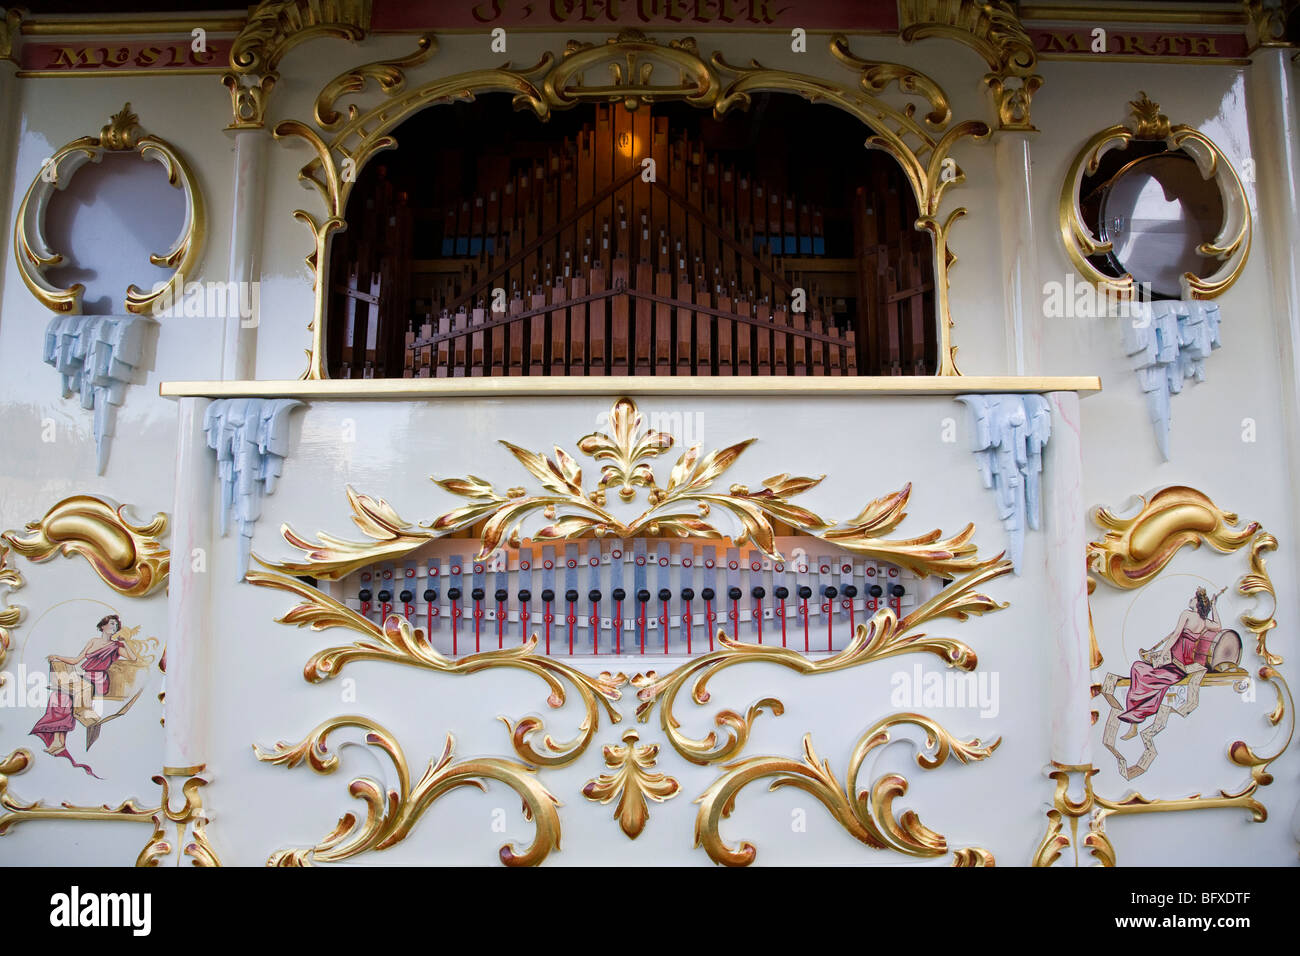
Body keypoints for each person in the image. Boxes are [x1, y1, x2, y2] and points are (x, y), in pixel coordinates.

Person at [29, 614, 139, 759]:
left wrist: (124, 644)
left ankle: (58, 741)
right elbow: (75, 661)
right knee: (59, 695)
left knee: (68, 693)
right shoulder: (93, 641)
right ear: (103, 626)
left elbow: (133, 658)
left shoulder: (116, 647)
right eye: (112, 624)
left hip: (99, 681)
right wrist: (57, 657)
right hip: (85, 677)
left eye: (116, 625)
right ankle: (58, 740)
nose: (115, 627)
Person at [1117, 587, 1221, 739]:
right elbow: (1218, 625)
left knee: (1138, 669)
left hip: (1175, 666)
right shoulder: (1205, 622)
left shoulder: (1187, 614)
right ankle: (1135, 722)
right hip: (1182, 665)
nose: (1190, 600)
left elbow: (1175, 637)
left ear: (1197, 603)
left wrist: (1161, 657)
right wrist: (1215, 607)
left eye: (1193, 598)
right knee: (1143, 673)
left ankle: (1134, 723)